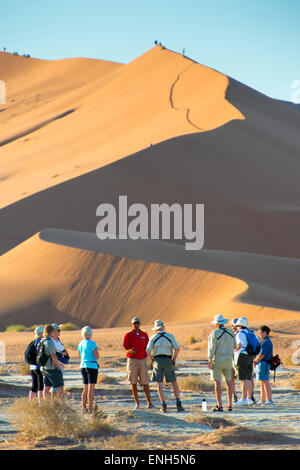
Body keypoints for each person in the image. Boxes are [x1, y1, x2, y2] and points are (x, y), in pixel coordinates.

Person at [146, 320, 184, 413]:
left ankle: (163, 405)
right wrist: (174, 359)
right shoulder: (170, 336)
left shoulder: (153, 337)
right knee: (174, 382)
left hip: (157, 361)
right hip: (168, 360)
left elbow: (147, 351)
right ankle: (178, 404)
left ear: (156, 329)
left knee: (159, 384)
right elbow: (177, 349)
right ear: (163, 327)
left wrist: (152, 361)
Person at [123, 317, 153, 409]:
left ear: (140, 324)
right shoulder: (128, 335)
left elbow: (147, 348)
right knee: (133, 382)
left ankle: (149, 403)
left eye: (138, 323)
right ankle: (137, 404)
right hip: (132, 360)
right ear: (132, 324)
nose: (136, 325)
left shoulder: (144, 335)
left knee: (145, 382)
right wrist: (129, 351)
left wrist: (151, 360)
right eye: (134, 323)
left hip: (142, 360)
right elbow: (125, 348)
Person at [208, 315, 235, 412]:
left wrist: (209, 361)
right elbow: (235, 346)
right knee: (229, 382)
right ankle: (230, 405)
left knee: (217, 382)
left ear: (216, 324)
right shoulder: (231, 332)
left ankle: (220, 405)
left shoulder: (214, 333)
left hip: (218, 360)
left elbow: (211, 349)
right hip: (228, 361)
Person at [78, 326, 99, 413]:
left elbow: (79, 355)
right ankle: (90, 408)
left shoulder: (80, 343)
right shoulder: (93, 343)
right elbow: (96, 356)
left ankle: (83, 407)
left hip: (83, 365)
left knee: (85, 388)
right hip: (92, 366)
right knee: (91, 388)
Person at [40, 325, 65, 401]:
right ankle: (64, 407)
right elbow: (53, 356)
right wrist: (57, 367)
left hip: (44, 368)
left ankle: (46, 405)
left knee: (47, 388)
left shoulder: (42, 340)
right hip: (52, 368)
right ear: (52, 332)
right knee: (60, 388)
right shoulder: (50, 342)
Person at [234, 317, 254, 405]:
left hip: (242, 356)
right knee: (249, 378)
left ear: (239, 326)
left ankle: (243, 399)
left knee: (243, 379)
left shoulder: (239, 334)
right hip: (250, 356)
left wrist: (233, 350)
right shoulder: (251, 333)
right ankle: (249, 398)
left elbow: (240, 345)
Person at [254, 325, 274, 406]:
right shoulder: (264, 341)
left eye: (260, 332)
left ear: (265, 333)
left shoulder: (266, 342)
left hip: (264, 363)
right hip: (261, 363)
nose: (259, 334)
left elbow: (262, 354)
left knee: (265, 381)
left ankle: (269, 400)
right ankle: (263, 399)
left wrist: (255, 360)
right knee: (262, 382)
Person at [50, 323, 69, 398]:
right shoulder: (51, 341)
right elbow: (53, 354)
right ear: (54, 332)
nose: (59, 331)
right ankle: (54, 404)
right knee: (55, 386)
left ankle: (58, 403)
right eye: (58, 330)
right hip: (56, 365)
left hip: (61, 365)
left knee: (59, 386)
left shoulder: (58, 340)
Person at [29, 326, 44, 402]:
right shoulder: (42, 342)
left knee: (34, 385)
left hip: (32, 367)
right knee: (41, 386)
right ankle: (41, 404)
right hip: (39, 367)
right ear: (42, 333)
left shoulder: (33, 342)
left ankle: (31, 403)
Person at [230, 318, 239, 403]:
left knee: (245, 379)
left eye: (236, 325)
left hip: (238, 360)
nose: (234, 327)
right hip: (231, 360)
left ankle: (249, 397)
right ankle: (234, 395)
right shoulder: (230, 334)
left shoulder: (240, 334)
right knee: (231, 378)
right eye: (233, 325)